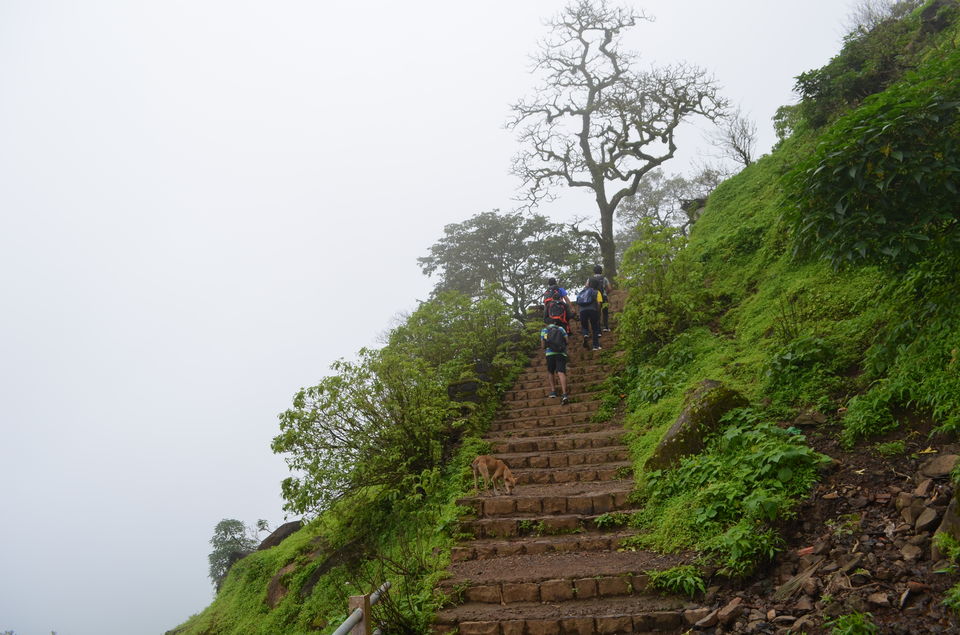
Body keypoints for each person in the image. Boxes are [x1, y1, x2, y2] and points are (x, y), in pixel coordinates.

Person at [540, 319, 570, 405]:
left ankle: (553, 392)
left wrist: (548, 346)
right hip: (561, 353)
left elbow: (542, 345)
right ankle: (564, 394)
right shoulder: (560, 329)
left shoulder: (544, 330)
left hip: (550, 354)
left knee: (551, 372)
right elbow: (567, 341)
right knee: (561, 372)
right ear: (554, 322)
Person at [576, 276, 602, 351]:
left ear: (589, 283)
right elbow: (599, 303)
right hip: (593, 310)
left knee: (584, 326)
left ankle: (585, 334)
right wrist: (598, 312)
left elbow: (578, 302)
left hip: (582, 311)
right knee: (595, 328)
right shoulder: (597, 292)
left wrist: (579, 312)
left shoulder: (582, 292)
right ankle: (595, 346)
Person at [587, 265, 613, 331]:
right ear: (601, 271)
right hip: (603, 296)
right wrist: (605, 294)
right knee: (605, 312)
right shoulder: (604, 278)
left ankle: (597, 328)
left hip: (594, 297)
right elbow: (609, 288)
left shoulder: (590, 278)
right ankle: (606, 327)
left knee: (596, 312)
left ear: (594, 271)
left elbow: (586, 287)